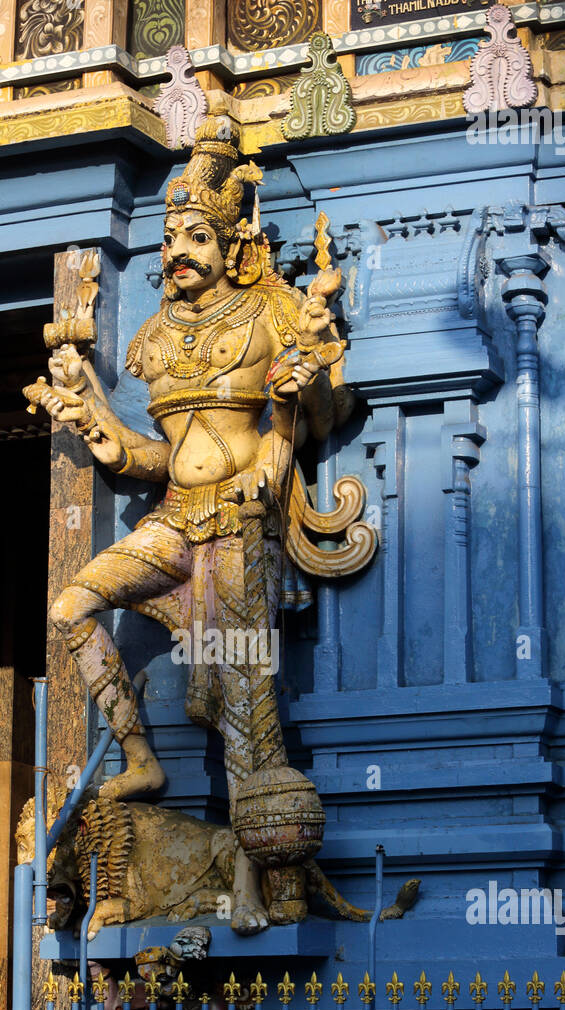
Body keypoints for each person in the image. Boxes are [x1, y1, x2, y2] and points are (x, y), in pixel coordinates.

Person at [34, 113, 344, 934]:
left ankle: (265, 885)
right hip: (175, 520)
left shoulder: (271, 312)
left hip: (240, 525)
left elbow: (312, 418)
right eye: (171, 237)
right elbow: (156, 458)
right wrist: (96, 420)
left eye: (196, 235)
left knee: (246, 707)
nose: (178, 251)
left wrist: (303, 382)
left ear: (233, 244)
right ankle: (138, 757)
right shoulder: (156, 339)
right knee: (72, 605)